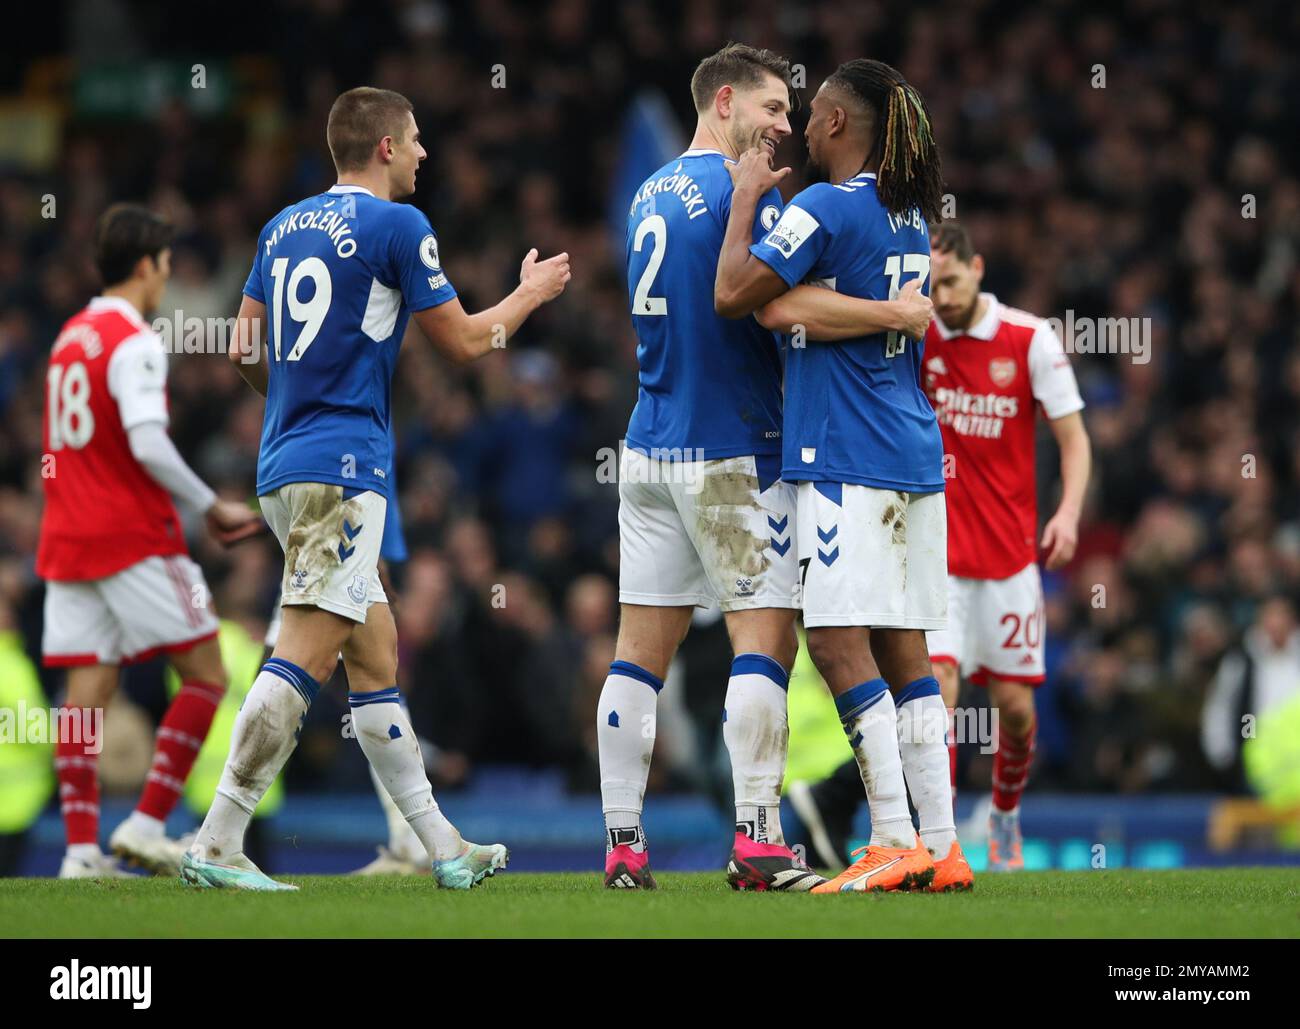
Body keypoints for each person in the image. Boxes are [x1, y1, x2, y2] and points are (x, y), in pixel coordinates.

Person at [182, 86, 569, 891]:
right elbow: (465, 342)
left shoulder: (280, 227)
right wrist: (529, 294)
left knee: (375, 651)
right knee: (303, 652)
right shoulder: (398, 226)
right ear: (386, 146)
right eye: (418, 138)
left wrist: (296, 396)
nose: (426, 152)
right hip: (344, 468)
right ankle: (217, 839)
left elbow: (244, 348)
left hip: (284, 463)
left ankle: (443, 846)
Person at [604, 44, 930, 891]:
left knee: (638, 650)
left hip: (646, 442)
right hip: (735, 446)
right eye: (770, 111)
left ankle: (622, 842)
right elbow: (762, 301)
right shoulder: (745, 196)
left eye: (790, 114)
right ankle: (757, 837)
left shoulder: (647, 192)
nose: (784, 130)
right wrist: (882, 312)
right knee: (767, 638)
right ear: (723, 103)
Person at [715, 59, 966, 892]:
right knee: (907, 651)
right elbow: (789, 308)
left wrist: (749, 196)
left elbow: (741, 293)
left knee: (831, 640)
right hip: (912, 451)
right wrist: (877, 313)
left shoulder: (825, 205)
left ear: (833, 124)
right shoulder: (908, 215)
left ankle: (891, 835)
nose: (800, 128)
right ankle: (944, 842)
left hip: (843, 453)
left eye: (812, 112)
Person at [788, 222, 1090, 874]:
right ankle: (935, 835)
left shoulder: (1029, 338)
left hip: (1010, 559)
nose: (942, 296)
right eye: (932, 283)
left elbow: (1074, 437)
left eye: (951, 280)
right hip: (939, 553)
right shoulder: (915, 340)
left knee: (1013, 711)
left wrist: (1067, 513)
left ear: (978, 268)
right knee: (938, 688)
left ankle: (1005, 811)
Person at [37, 203, 263, 878]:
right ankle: (145, 819)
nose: (166, 280)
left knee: (86, 695)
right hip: (135, 536)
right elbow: (144, 441)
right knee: (206, 675)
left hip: (68, 539)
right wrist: (209, 505)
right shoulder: (134, 340)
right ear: (145, 267)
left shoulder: (68, 339)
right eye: (165, 266)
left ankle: (80, 851)